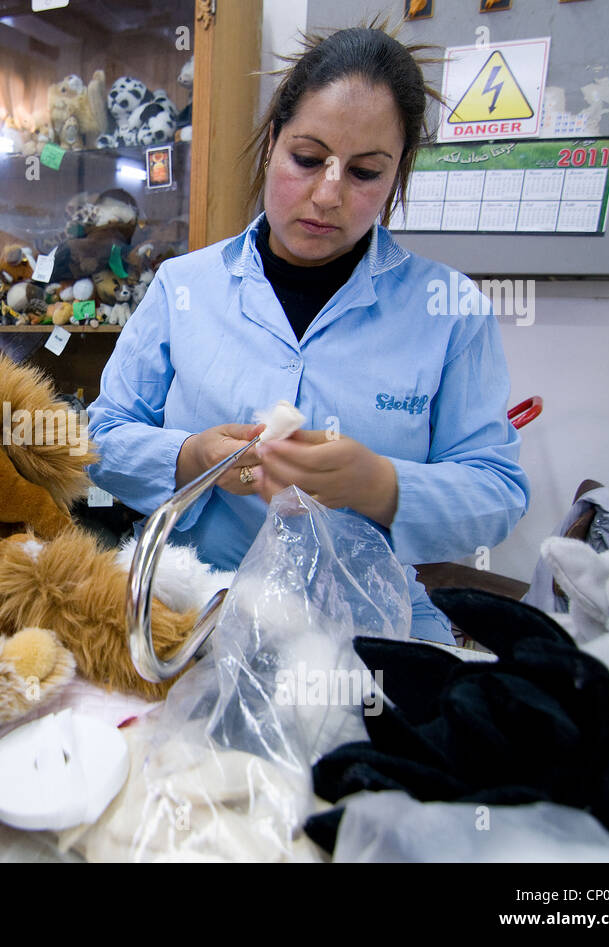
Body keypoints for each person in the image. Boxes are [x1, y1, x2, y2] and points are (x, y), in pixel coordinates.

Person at [87, 26, 530, 644]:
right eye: (306, 158)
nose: (328, 194)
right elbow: (98, 439)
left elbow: (497, 492)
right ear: (272, 143)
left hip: (364, 628)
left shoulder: (450, 310)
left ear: (397, 174)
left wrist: (380, 485)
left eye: (365, 172)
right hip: (192, 610)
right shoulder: (183, 287)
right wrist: (191, 458)